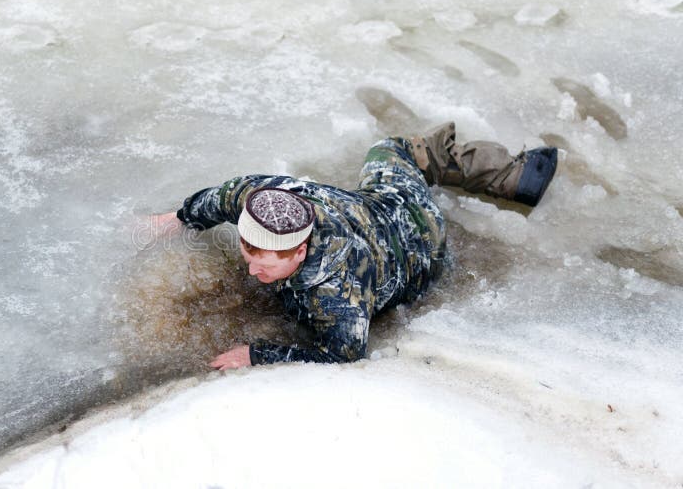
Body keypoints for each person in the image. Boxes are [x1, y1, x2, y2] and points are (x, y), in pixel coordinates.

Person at [149, 122, 557, 370]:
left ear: (300, 252)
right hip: (369, 207)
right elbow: (222, 196)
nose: (254, 271)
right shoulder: (260, 197)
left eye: (268, 265)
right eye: (249, 252)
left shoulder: (337, 291)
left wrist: (258, 355)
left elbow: (343, 355)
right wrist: (180, 218)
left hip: (418, 242)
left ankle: (512, 175)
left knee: (397, 149)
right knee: (384, 152)